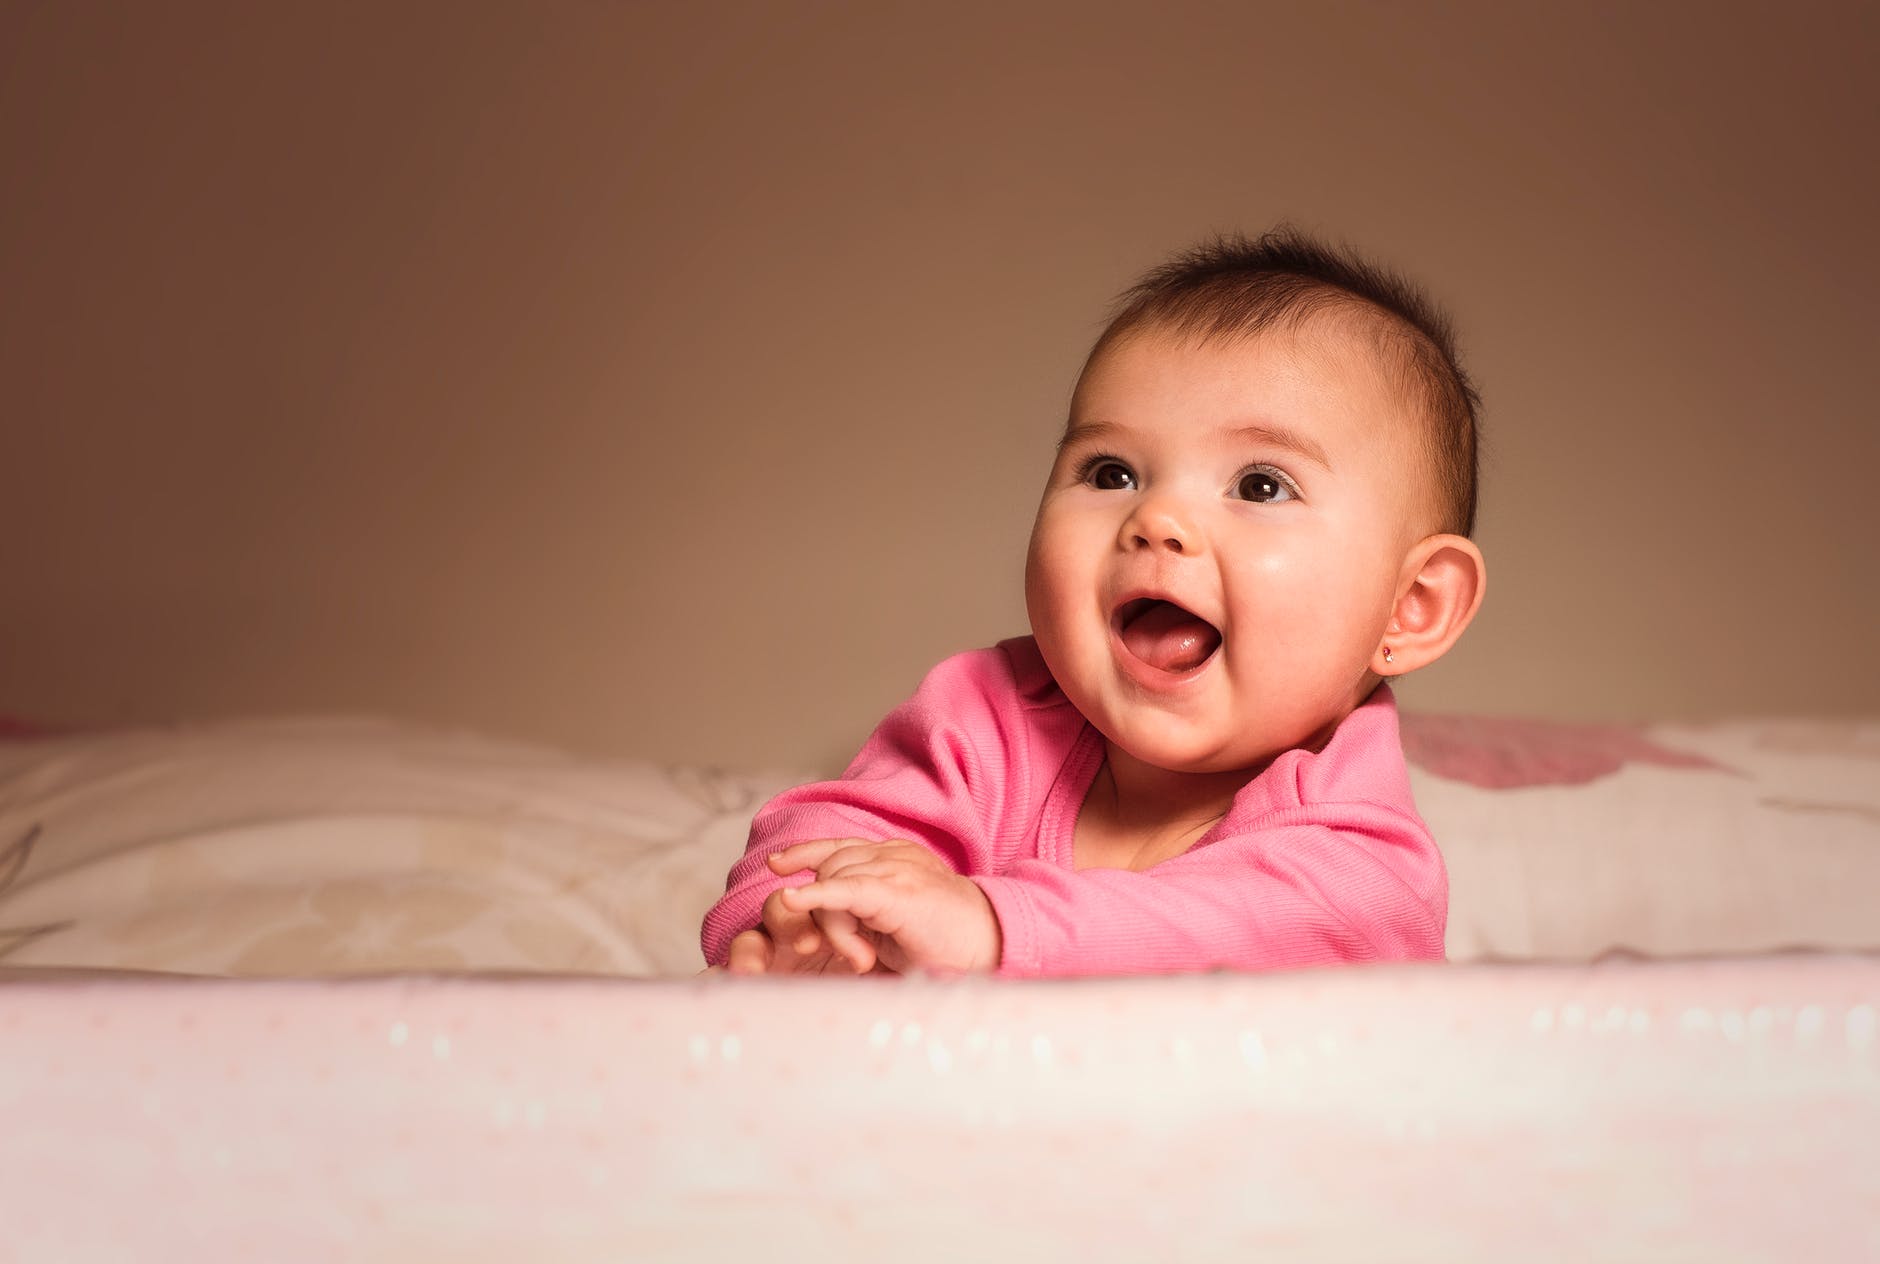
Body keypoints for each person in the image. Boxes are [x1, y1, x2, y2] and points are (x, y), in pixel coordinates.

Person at [701, 226, 1487, 977]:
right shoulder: (989, 716)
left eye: (1260, 485)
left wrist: (992, 926)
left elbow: (1232, 930)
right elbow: (835, 834)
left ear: (1410, 607)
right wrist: (805, 921)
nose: (1158, 521)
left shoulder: (1366, 862)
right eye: (1111, 473)